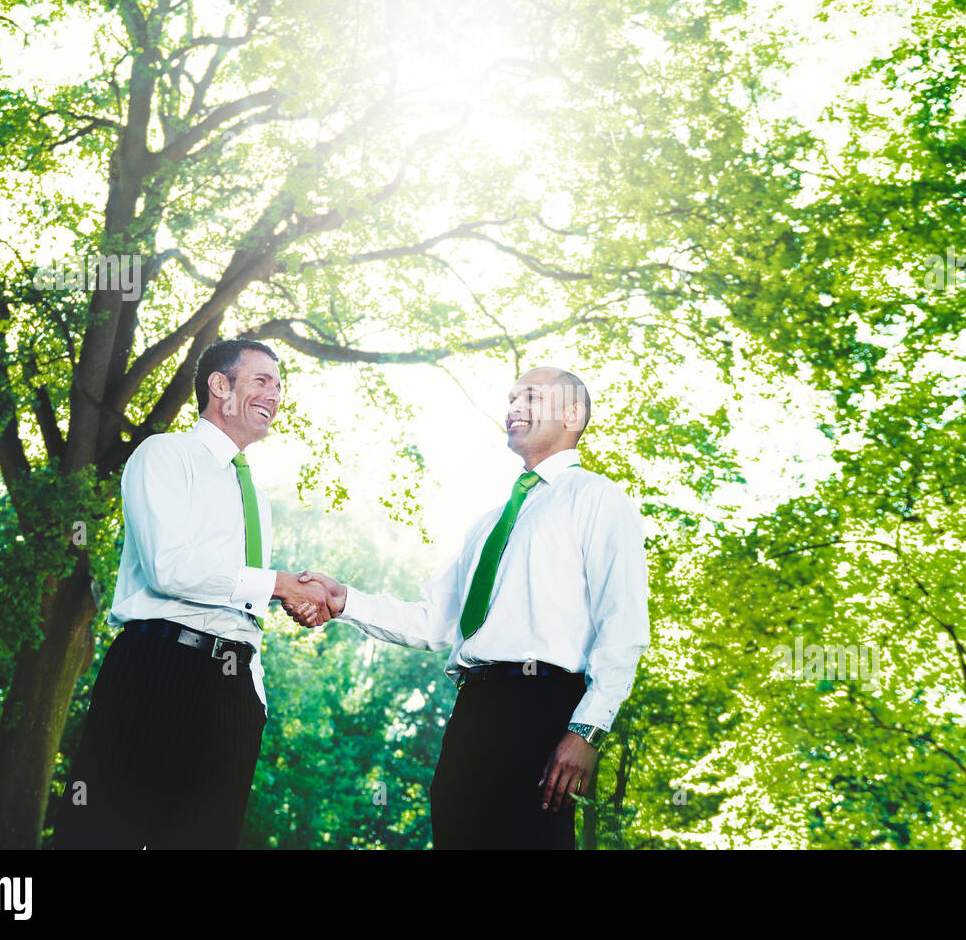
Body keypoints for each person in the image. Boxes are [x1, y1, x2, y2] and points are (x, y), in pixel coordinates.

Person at [295, 366, 649, 849]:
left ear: (573, 413)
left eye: (531, 396)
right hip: (472, 711)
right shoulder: (489, 522)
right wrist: (344, 600)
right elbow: (436, 622)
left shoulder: (598, 499)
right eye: (511, 398)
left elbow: (623, 624)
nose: (514, 407)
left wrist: (586, 729)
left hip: (543, 708)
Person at [53, 338, 334, 849]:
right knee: (97, 835)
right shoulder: (165, 455)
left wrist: (287, 604)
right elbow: (169, 566)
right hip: (156, 669)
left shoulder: (259, 500)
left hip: (233, 691)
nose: (276, 393)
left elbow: (236, 593)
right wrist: (276, 584)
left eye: (280, 384)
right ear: (219, 385)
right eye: (262, 380)